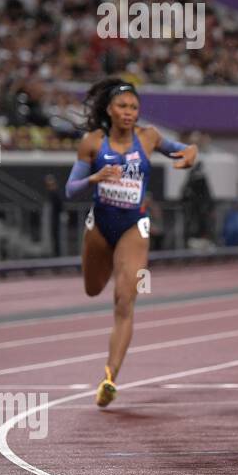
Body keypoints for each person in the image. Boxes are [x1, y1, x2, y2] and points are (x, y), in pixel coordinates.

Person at [65, 79, 197, 407]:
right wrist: (94, 178)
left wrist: (190, 154)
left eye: (134, 107)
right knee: (93, 288)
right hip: (100, 226)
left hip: (133, 225)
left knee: (124, 301)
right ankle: (109, 264)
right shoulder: (93, 142)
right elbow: (70, 189)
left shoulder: (148, 137)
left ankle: (109, 378)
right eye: (122, 106)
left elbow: (185, 149)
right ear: (109, 110)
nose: (128, 112)